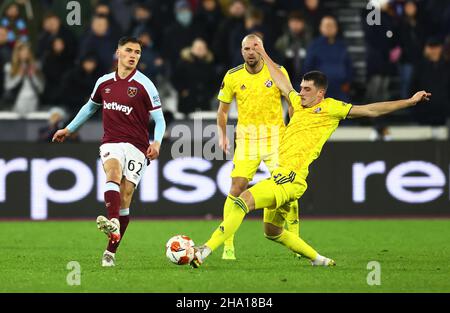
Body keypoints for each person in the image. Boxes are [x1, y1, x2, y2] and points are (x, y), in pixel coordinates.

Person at [189, 39, 431, 268]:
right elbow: (281, 82)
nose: (300, 92)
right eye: (301, 88)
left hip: (290, 177)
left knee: (242, 202)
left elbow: (371, 111)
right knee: (271, 232)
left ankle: (205, 250)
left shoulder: (331, 109)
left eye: (306, 89)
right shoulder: (297, 103)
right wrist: (263, 53)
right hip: (283, 176)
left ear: (320, 94)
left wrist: (408, 102)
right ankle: (319, 259)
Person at [52, 36, 166, 267]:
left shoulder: (145, 84)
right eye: (129, 50)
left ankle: (110, 252)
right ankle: (113, 221)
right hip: (111, 141)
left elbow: (160, 119)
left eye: (137, 52)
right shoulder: (104, 82)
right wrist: (68, 128)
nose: (133, 55)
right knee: (112, 173)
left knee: (125, 197)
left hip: (137, 146)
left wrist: (157, 142)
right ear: (118, 52)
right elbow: (90, 108)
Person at [217, 34, 299, 261]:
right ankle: (228, 245)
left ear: (262, 49)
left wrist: (294, 132)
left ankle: (295, 240)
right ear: (241, 51)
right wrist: (222, 135)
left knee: (287, 189)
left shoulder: (277, 71)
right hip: (247, 140)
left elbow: (291, 102)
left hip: (276, 138)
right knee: (237, 187)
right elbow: (222, 111)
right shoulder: (233, 76)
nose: (250, 52)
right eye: (246, 48)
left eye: (255, 47)